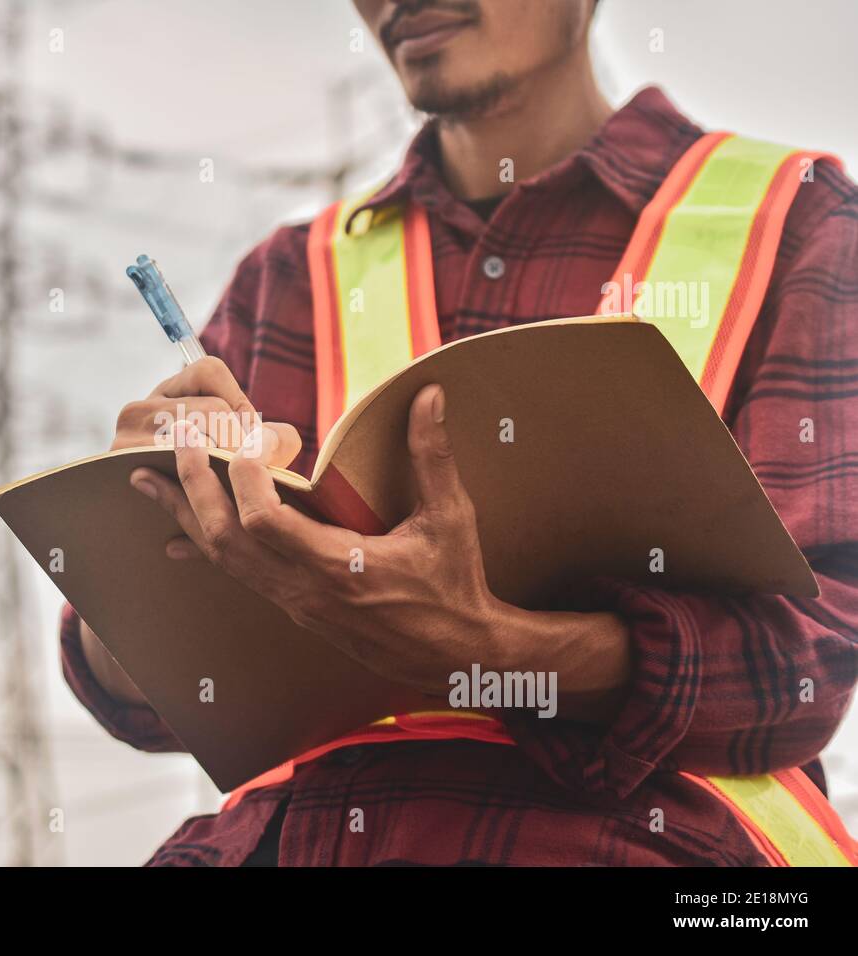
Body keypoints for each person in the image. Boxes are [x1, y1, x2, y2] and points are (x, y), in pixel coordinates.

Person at [61, 0, 858, 865]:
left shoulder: (795, 227)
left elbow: (812, 664)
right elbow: (133, 697)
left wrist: (495, 647)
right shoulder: (292, 277)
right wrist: (137, 546)